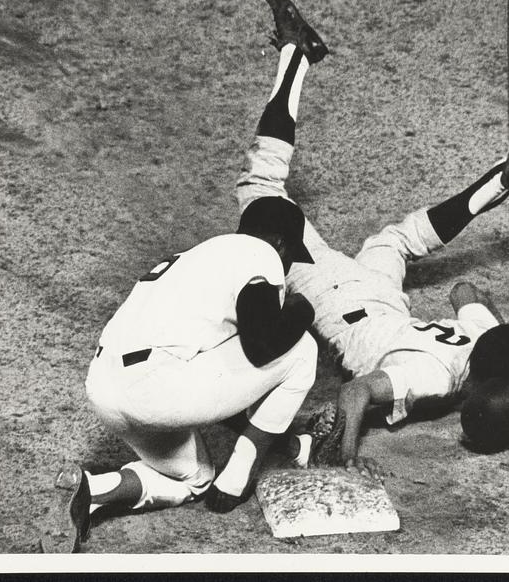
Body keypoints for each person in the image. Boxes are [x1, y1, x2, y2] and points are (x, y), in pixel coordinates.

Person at [235, 0, 509, 479]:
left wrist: (503, 334)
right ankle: (296, 56)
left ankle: (499, 179)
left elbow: (465, 292)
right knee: (261, 186)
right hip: (337, 293)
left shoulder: (482, 335)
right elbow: (356, 392)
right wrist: (348, 453)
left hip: (380, 297)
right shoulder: (433, 377)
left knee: (399, 240)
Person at [40, 195, 343, 553]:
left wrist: (288, 442)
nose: (288, 266)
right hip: (157, 388)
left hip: (105, 389)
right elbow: (262, 349)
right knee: (301, 347)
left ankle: (90, 492)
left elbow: (225, 382)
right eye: (291, 256)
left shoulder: (193, 259)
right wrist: (304, 309)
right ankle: (238, 476)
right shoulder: (260, 254)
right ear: (279, 243)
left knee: (195, 478)